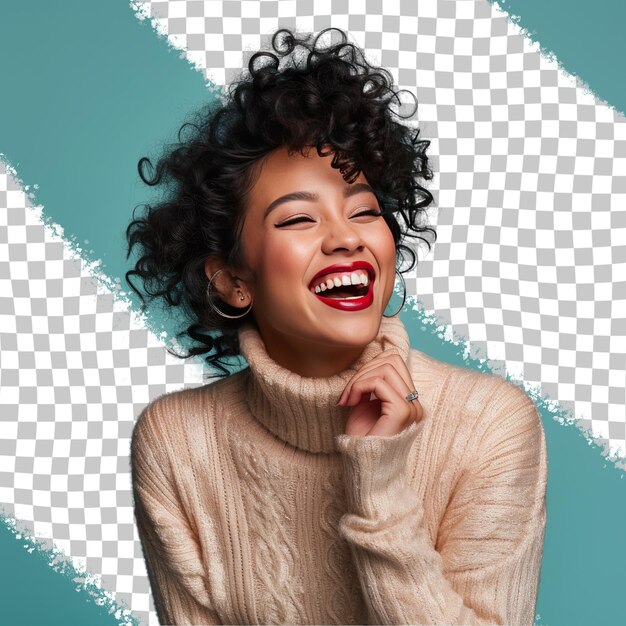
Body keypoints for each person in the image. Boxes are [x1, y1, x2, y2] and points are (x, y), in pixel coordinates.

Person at [125, 27, 547, 626]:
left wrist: (379, 486)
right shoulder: (179, 443)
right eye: (298, 218)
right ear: (231, 280)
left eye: (365, 211)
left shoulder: (491, 427)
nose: (347, 237)